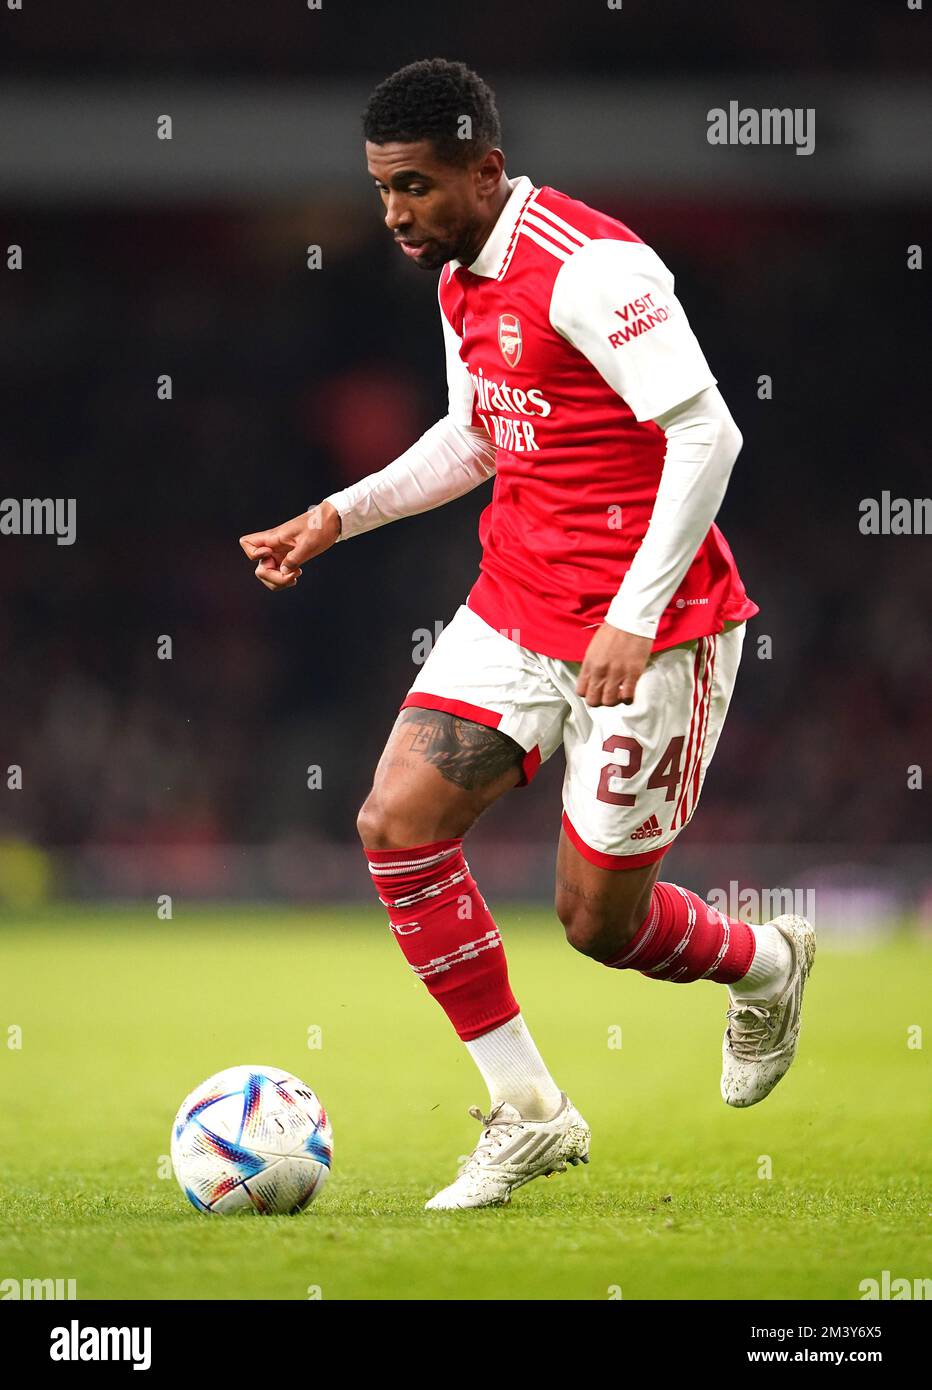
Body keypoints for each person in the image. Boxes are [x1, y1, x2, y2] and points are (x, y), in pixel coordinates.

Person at [240, 58, 815, 1211]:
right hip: (515, 603)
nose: (393, 214)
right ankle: (531, 1112)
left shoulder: (592, 270)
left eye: (413, 186)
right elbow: (473, 439)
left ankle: (765, 962)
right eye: (380, 189)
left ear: (485, 168)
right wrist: (336, 515)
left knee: (597, 925)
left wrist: (629, 616)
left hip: (652, 632)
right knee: (394, 824)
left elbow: (709, 438)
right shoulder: (458, 274)